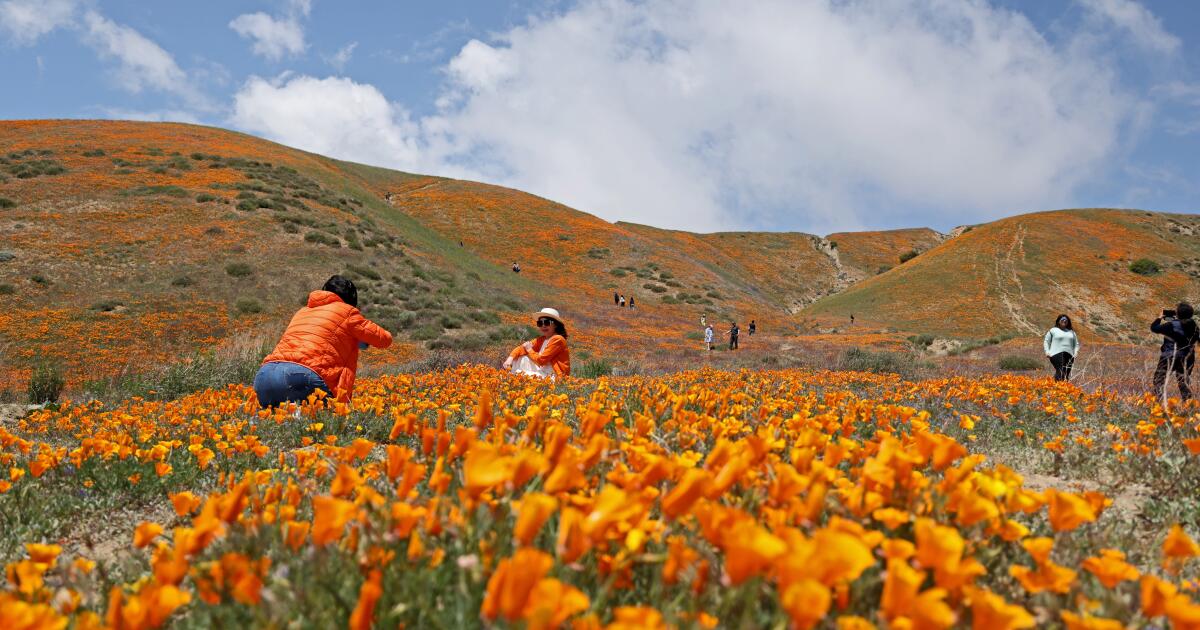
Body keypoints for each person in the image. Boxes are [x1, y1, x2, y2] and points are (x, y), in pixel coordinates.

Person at [254, 275, 392, 407]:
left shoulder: (303, 311)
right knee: (318, 422)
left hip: (265, 377)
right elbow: (384, 340)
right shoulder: (348, 312)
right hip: (302, 377)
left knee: (276, 419)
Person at [503, 308, 571, 379]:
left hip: (554, 376)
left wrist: (529, 349)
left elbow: (541, 361)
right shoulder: (542, 339)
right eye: (540, 323)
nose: (543, 326)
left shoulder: (558, 339)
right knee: (519, 358)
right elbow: (522, 348)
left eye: (547, 323)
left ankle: (511, 378)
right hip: (543, 372)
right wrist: (510, 358)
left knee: (519, 375)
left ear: (555, 324)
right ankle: (512, 377)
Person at [1151, 302, 1198, 402]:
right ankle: (1188, 404)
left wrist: (1159, 318)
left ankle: (1158, 403)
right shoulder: (1194, 326)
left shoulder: (1171, 325)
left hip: (1169, 356)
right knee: (1183, 381)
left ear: (1177, 314)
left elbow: (1154, 328)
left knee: (1159, 379)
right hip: (1187, 358)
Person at [1043, 314, 1079, 382]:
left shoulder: (1072, 332)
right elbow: (1046, 341)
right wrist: (1047, 351)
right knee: (1061, 370)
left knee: (1066, 373)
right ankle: (1059, 388)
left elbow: (1076, 344)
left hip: (1069, 355)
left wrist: (1076, 352)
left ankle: (1061, 387)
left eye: (1066, 320)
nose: (1064, 321)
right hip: (1055, 353)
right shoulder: (1053, 330)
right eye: (1062, 320)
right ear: (1058, 321)